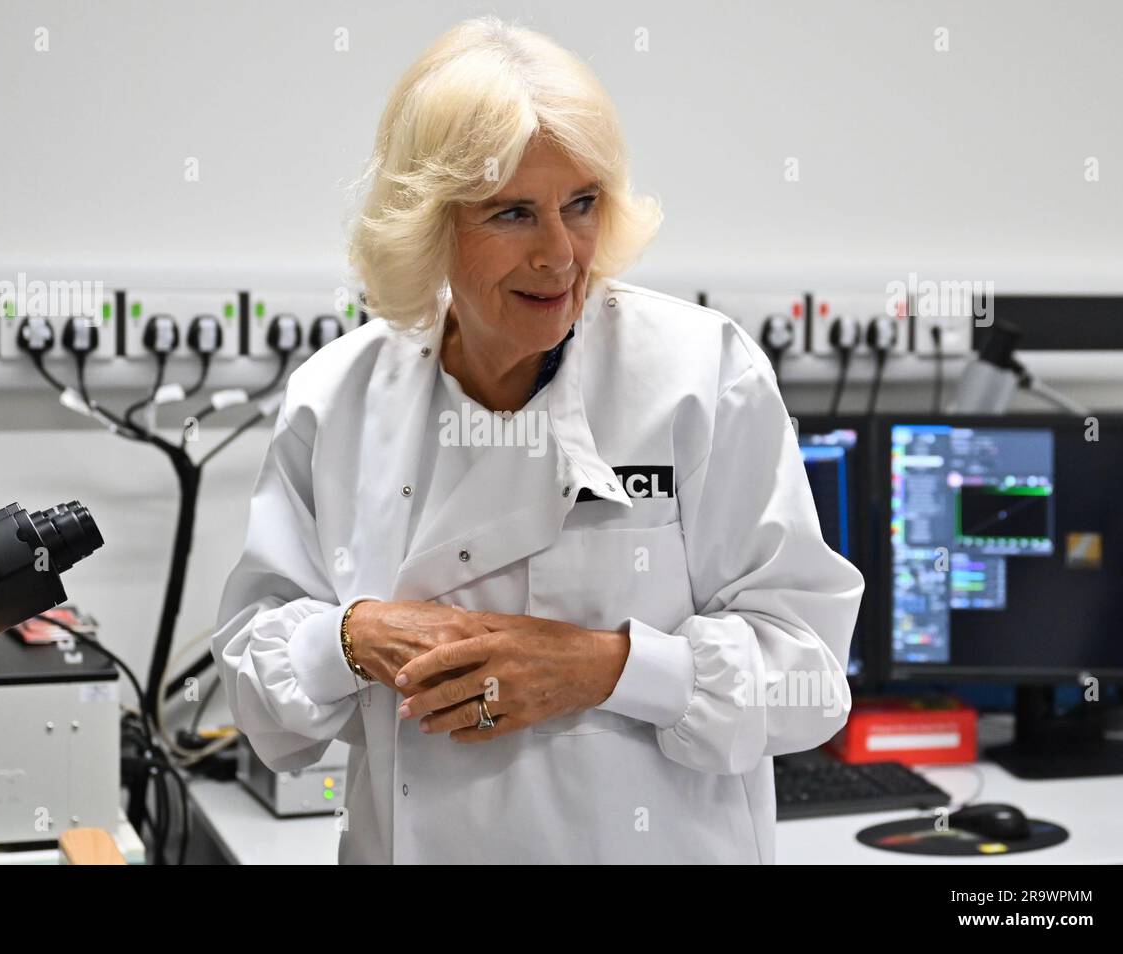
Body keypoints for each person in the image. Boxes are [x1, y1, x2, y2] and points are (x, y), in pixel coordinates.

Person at [212, 15, 864, 864]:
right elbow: (258, 688)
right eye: (513, 213)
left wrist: (605, 666)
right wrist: (352, 635)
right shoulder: (339, 399)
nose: (560, 255)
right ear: (432, 223)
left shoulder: (699, 376)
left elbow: (809, 678)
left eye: (581, 204)